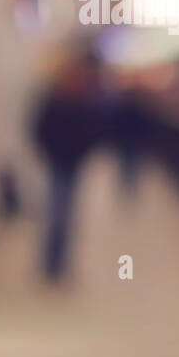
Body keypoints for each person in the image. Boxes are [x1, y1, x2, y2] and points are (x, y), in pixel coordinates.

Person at [31, 46, 109, 282]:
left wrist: (84, 152)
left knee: (67, 212)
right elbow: (39, 128)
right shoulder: (55, 98)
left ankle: (60, 263)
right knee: (57, 211)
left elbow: (94, 131)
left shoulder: (84, 100)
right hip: (57, 161)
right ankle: (50, 262)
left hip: (73, 162)